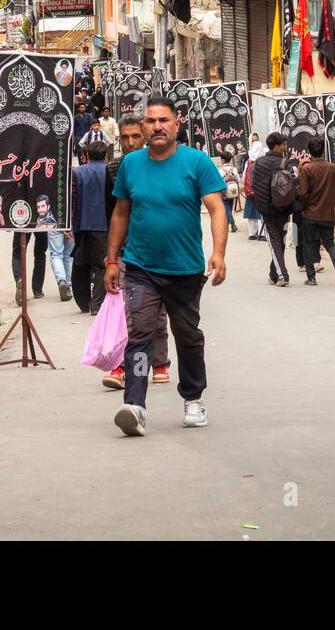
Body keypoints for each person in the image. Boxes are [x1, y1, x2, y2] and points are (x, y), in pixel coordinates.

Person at [107, 96, 228, 437]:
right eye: (150, 121)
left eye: (163, 120)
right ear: (142, 127)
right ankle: (136, 405)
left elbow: (217, 209)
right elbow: (121, 213)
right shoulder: (131, 164)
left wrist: (218, 253)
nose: (157, 126)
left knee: (188, 336)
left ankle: (193, 398)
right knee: (140, 335)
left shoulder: (197, 162)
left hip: (185, 269)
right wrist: (112, 259)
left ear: (177, 124)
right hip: (141, 267)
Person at [102, 115, 171, 390]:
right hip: (129, 252)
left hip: (160, 251)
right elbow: (113, 214)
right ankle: (120, 367)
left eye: (136, 137)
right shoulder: (114, 169)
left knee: (158, 313)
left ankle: (160, 363)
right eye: (125, 138)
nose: (131, 143)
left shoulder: (163, 164)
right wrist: (111, 256)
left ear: (145, 136)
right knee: (128, 312)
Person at [71, 139, 111, 315]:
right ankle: (97, 303)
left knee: (81, 263)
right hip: (103, 224)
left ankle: (83, 303)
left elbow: (71, 198)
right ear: (106, 156)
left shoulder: (78, 173)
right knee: (102, 265)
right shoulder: (110, 172)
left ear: (86, 156)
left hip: (81, 224)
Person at [297, 137, 335, 286]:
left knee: (308, 244)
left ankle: (311, 278)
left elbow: (303, 193)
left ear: (309, 152)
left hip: (310, 213)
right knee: (330, 243)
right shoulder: (333, 168)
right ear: (323, 150)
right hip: (328, 213)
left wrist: (303, 207)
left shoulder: (307, 169)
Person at [251, 132, 296, 286]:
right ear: (277, 146)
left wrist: (262, 201)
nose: (285, 147)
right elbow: (294, 182)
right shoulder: (286, 162)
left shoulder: (258, 163)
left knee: (276, 242)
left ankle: (275, 273)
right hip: (283, 208)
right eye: (283, 144)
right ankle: (282, 275)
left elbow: (253, 183)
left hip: (267, 210)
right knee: (280, 242)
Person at [242, 141, 265, 240]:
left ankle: (252, 233)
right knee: (261, 212)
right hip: (260, 191)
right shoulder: (262, 161)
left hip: (249, 191)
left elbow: (244, 176)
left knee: (251, 212)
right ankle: (262, 234)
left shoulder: (248, 161)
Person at [218, 157, 241, 233]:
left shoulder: (221, 170)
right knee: (229, 207)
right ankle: (228, 225)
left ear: (223, 160)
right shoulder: (234, 169)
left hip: (224, 190)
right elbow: (238, 179)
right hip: (233, 189)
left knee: (226, 207)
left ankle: (232, 224)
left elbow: (218, 181)